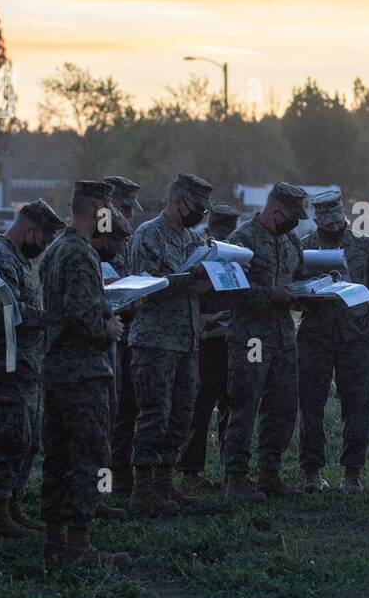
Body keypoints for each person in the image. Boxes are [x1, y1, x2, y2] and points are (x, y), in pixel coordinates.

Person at [38, 181, 130, 567]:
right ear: (96, 212)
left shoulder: (54, 249)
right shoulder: (81, 254)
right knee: (89, 456)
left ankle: (54, 538)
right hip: (84, 373)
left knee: (57, 455)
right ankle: (78, 544)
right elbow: (84, 315)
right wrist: (110, 325)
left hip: (57, 369)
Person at [0, 198, 65, 539]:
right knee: (8, 435)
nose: (42, 248)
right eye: (42, 240)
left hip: (27, 363)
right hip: (8, 364)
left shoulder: (17, 259)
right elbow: (7, 312)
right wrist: (51, 316)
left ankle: (13, 506)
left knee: (27, 438)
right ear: (30, 231)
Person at [126, 174, 211, 513]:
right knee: (154, 414)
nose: (201, 214)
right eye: (197, 207)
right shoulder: (149, 235)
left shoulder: (194, 239)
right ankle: (142, 488)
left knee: (181, 413)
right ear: (179, 202)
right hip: (155, 341)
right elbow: (148, 286)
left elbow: (194, 288)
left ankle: (164, 483)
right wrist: (192, 276)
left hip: (186, 340)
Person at [297, 190, 369, 493]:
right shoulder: (304, 248)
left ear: (344, 215)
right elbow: (294, 289)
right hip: (315, 335)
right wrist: (308, 292)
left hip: (357, 335)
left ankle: (353, 473)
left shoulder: (367, 245)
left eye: (338, 221)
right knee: (311, 404)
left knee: (357, 404)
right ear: (316, 220)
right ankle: (312, 471)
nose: (334, 227)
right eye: (327, 223)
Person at [223, 182, 309, 502]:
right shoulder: (241, 241)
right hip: (251, 336)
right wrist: (268, 295)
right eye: (290, 216)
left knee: (284, 406)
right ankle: (236, 478)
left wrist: (313, 291)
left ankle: (269, 473)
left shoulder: (290, 242)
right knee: (244, 405)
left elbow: (297, 278)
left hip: (284, 337)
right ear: (274, 211)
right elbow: (229, 289)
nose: (295, 222)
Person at [178, 203, 241, 489]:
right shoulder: (197, 250)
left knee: (233, 405)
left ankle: (232, 469)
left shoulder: (239, 253)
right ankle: (191, 471)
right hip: (206, 340)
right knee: (201, 406)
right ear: (210, 228)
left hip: (233, 338)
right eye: (220, 231)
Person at [101, 174, 143, 501]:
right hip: (102, 337)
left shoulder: (125, 239)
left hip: (128, 333)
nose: (128, 215)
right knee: (107, 412)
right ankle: (105, 484)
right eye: (123, 207)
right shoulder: (93, 240)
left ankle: (121, 475)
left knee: (127, 407)